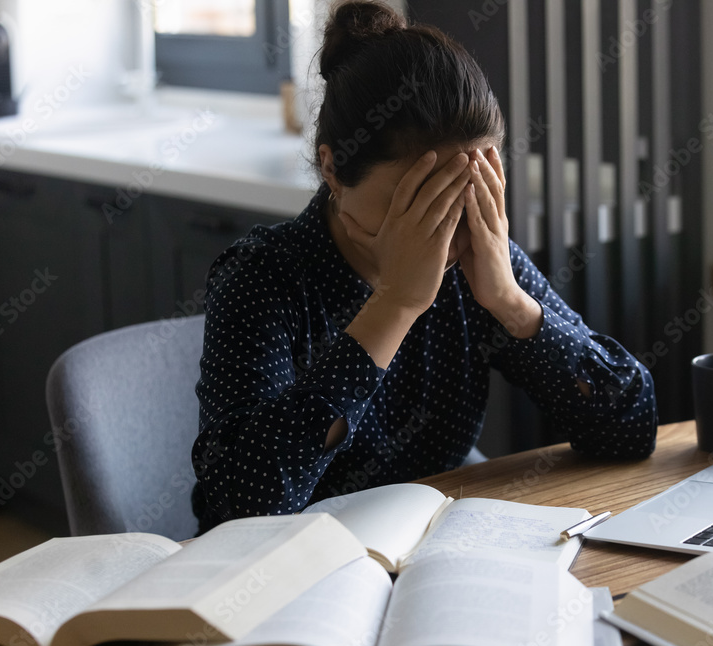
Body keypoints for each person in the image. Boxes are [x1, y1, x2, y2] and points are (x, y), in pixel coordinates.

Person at [190, 0, 657, 535]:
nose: (440, 232)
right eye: (416, 202)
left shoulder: (476, 259)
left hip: (428, 559)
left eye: (464, 199)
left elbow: (632, 427)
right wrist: (394, 304)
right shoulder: (261, 277)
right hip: (274, 579)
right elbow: (246, 503)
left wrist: (510, 302)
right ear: (333, 169)